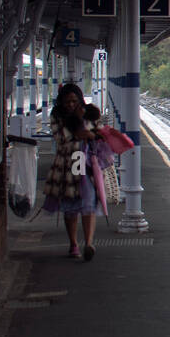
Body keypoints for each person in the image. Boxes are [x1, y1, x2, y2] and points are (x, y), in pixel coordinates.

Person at [38, 83, 107, 261]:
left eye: (74, 101)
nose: (71, 104)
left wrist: (87, 133)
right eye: (67, 101)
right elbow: (62, 138)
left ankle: (89, 243)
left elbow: (97, 133)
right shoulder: (57, 116)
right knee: (71, 203)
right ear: (62, 101)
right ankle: (73, 243)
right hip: (69, 163)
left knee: (89, 202)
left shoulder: (90, 113)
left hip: (88, 163)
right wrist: (82, 130)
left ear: (80, 100)